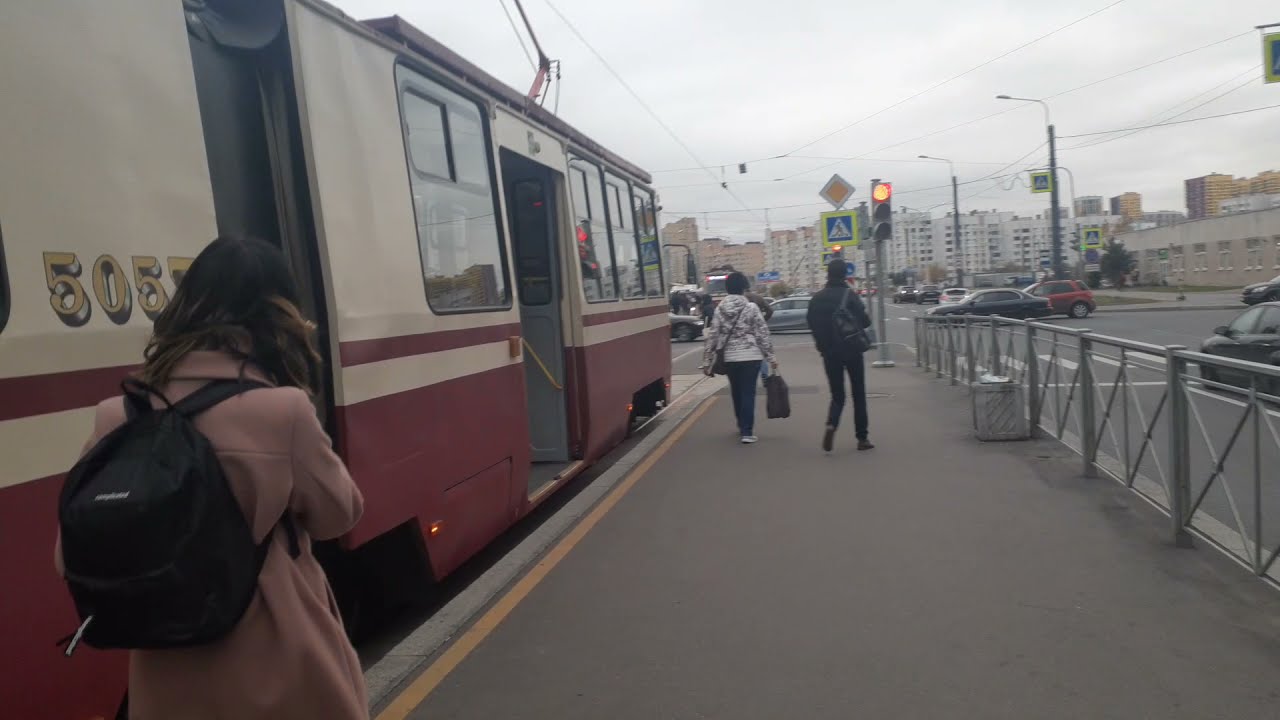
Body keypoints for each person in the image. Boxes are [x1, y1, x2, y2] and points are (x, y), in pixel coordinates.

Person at [56, 236, 367, 720]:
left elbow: (67, 556)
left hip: (167, 680)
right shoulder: (282, 410)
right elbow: (338, 516)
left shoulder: (117, 416)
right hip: (280, 666)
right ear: (276, 316)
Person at [806, 259, 875, 452]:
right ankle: (862, 438)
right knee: (858, 394)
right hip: (852, 350)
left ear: (828, 274)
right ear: (845, 275)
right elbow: (866, 321)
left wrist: (821, 345)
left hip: (829, 353)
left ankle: (832, 424)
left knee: (837, 395)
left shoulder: (817, 298)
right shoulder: (849, 295)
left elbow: (811, 323)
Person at [703, 272, 776, 444]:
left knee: (736, 391)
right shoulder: (751, 307)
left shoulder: (720, 308)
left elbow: (713, 334)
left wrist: (707, 360)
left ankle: (740, 424)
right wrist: (771, 357)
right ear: (744, 288)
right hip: (751, 356)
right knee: (748, 392)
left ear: (727, 288)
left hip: (730, 357)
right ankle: (747, 431)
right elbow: (762, 333)